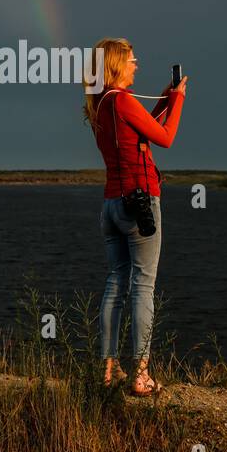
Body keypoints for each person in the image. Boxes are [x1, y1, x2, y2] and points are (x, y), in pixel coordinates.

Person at [82, 37, 187, 396]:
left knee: (115, 284)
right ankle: (141, 375)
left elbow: (143, 125)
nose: (137, 63)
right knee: (143, 287)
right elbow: (166, 137)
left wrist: (164, 99)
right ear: (115, 65)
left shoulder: (100, 103)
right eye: (131, 59)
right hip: (139, 203)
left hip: (111, 206)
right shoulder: (123, 100)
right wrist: (180, 101)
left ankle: (107, 370)